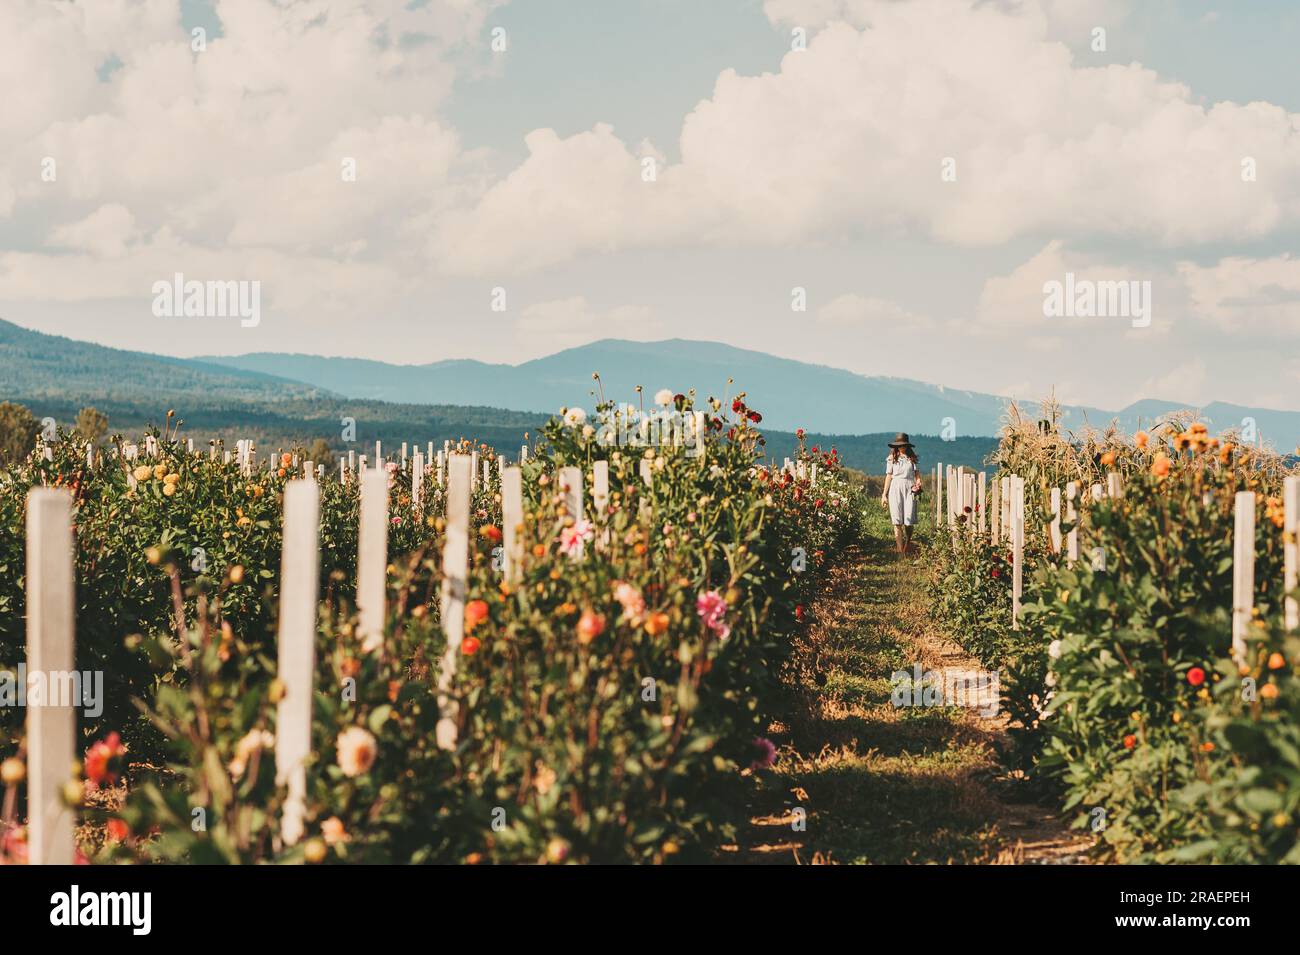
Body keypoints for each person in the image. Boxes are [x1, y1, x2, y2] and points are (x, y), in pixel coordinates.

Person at [880, 433, 922, 555]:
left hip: (909, 487)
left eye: (903, 445)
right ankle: (900, 550)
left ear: (907, 446)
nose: (901, 447)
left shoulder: (911, 459)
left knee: (908, 520)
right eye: (899, 445)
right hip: (895, 488)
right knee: (897, 520)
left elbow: (917, 474)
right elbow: (888, 476)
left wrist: (918, 483)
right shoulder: (891, 458)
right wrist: (884, 494)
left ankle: (908, 541)